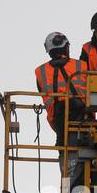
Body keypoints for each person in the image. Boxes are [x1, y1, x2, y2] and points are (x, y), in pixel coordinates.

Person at [35, 31, 89, 185]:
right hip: (84, 122)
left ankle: (70, 189)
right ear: (66, 48)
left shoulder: (41, 72)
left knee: (67, 163)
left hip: (60, 125)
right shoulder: (81, 65)